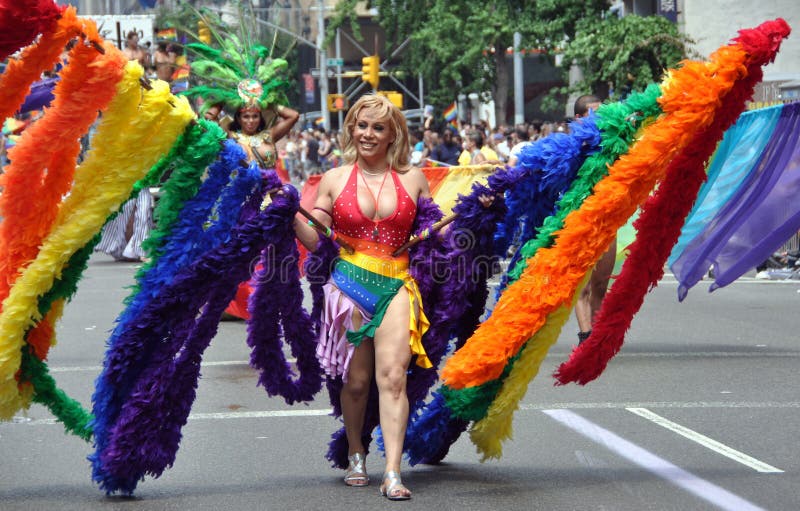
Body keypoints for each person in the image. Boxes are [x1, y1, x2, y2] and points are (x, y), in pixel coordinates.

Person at [294, 94, 431, 500]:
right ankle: (356, 451)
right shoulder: (334, 179)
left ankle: (392, 471)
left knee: (392, 379)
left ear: (393, 135)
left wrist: (479, 211)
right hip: (349, 285)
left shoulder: (414, 178)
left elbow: (438, 234)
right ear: (351, 129)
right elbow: (314, 237)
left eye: (377, 127)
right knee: (355, 383)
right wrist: (285, 215)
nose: (367, 134)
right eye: (361, 125)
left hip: (398, 284)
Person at [571, 94, 614, 344]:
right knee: (582, 285)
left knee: (600, 285)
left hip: (607, 219)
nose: (598, 118)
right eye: (593, 113)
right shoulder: (570, 147)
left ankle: (597, 339)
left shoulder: (611, 143)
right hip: (579, 220)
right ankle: (586, 335)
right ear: (579, 118)